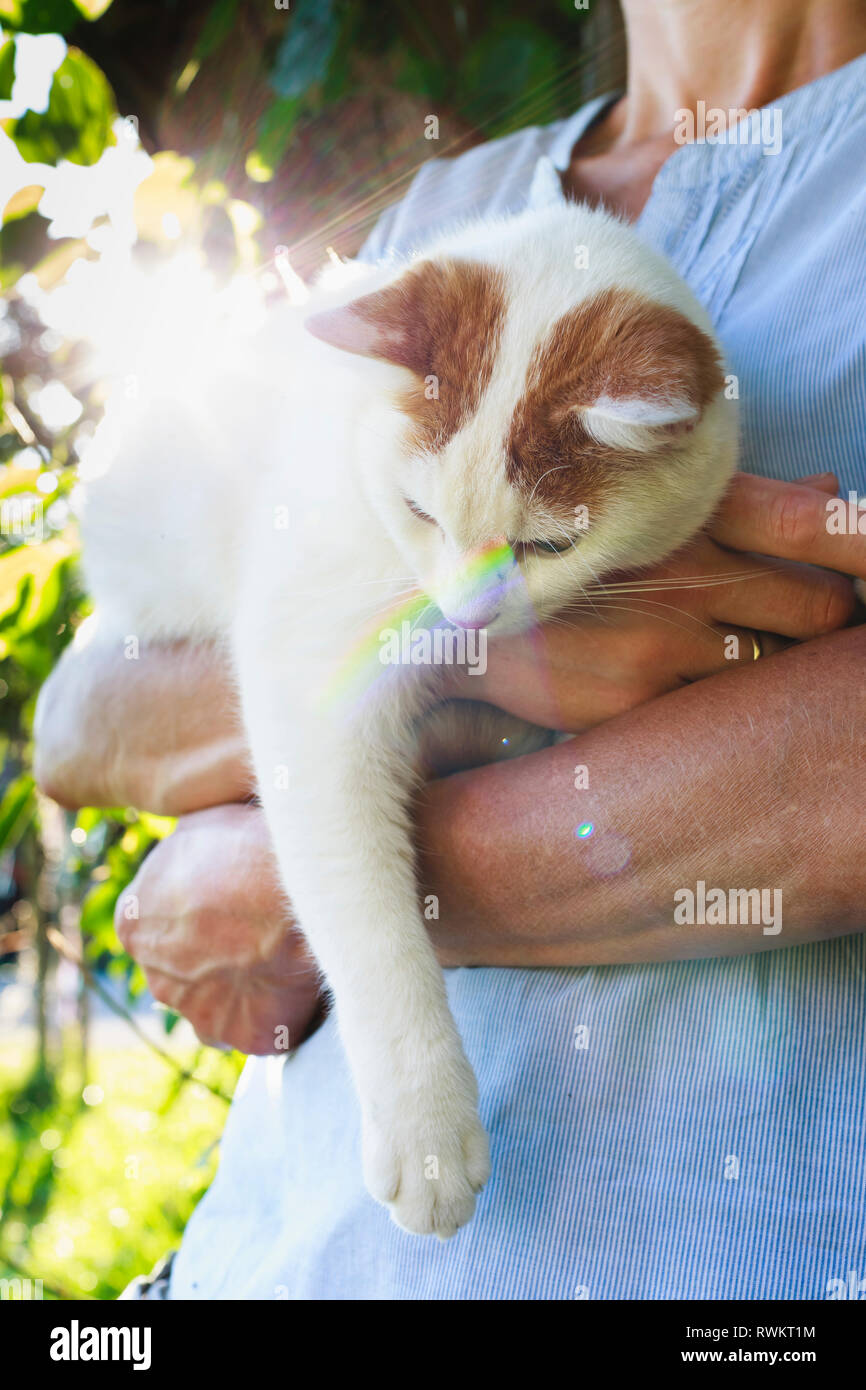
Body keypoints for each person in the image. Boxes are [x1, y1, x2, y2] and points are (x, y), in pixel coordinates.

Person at [35, 0, 866, 1299]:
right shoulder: (441, 214)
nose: (461, 597)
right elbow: (81, 717)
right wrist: (470, 673)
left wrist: (314, 880)